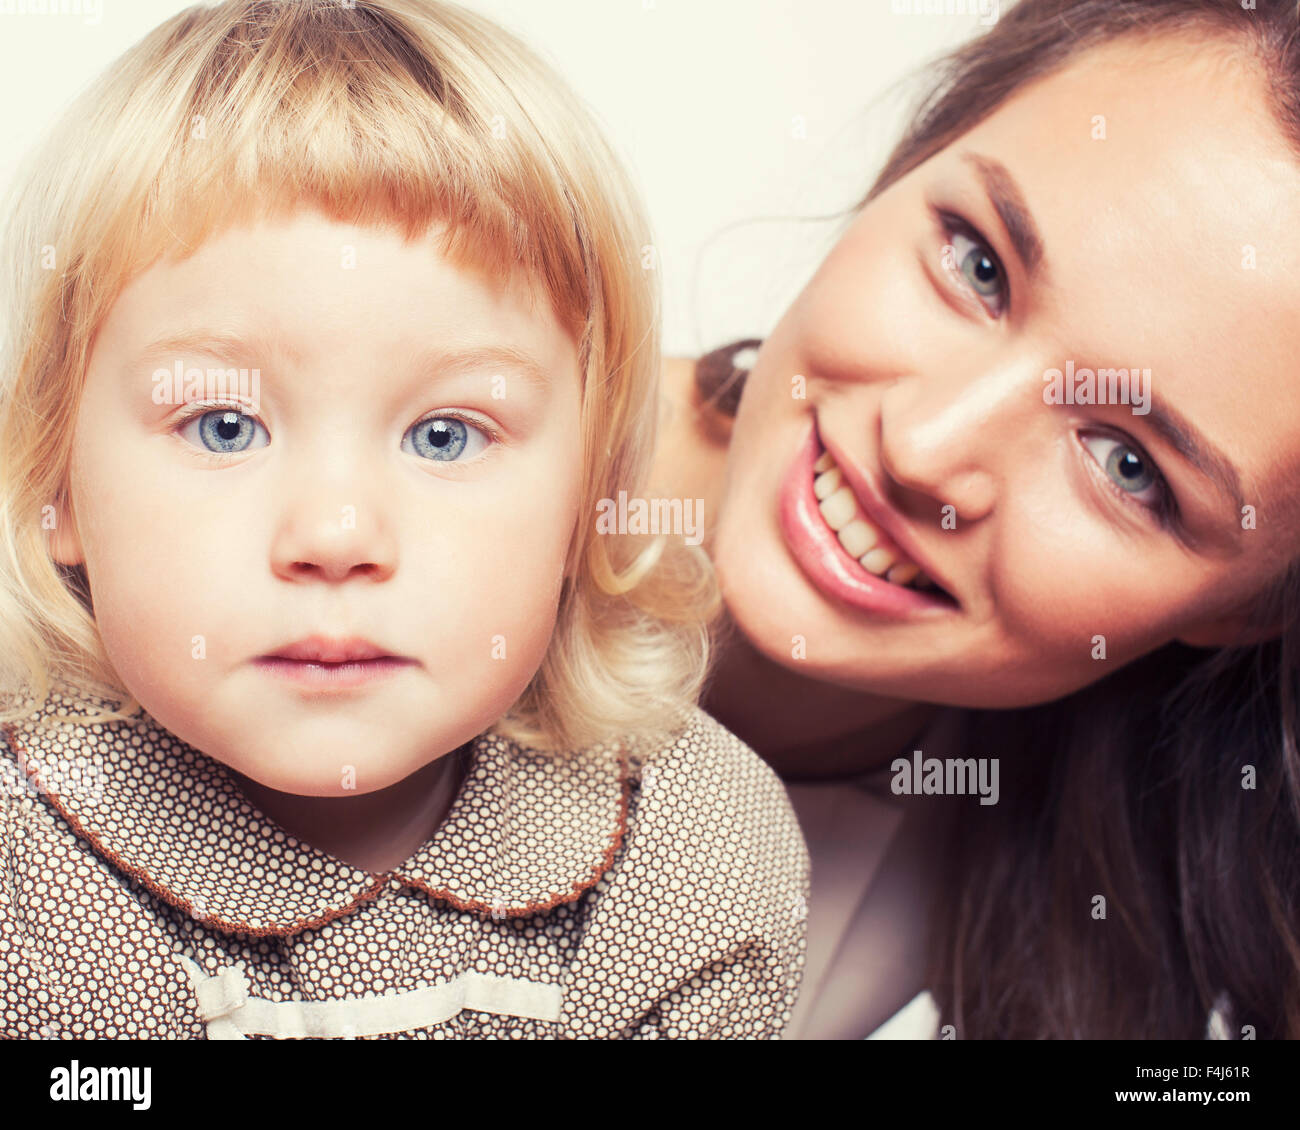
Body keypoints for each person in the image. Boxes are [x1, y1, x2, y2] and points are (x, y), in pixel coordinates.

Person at [0, 0, 807, 1040]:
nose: (336, 535)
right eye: (224, 424)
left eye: (445, 435)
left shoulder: (694, 849)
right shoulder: (27, 874)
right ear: (53, 476)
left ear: (583, 502)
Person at [652, 0, 1300, 1039]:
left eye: (1128, 465)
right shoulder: (352, 467)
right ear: (914, 156)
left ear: (1246, 610)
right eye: (979, 264)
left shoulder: (1050, 886)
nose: (922, 449)